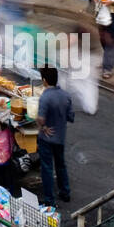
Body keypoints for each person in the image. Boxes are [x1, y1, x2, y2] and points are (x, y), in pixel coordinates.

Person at [36, 66, 74, 206]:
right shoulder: (66, 96)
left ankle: (49, 200)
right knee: (61, 165)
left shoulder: (45, 97)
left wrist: (43, 127)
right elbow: (71, 117)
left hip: (46, 139)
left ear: (44, 81)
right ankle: (65, 192)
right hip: (60, 137)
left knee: (47, 168)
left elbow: (41, 118)